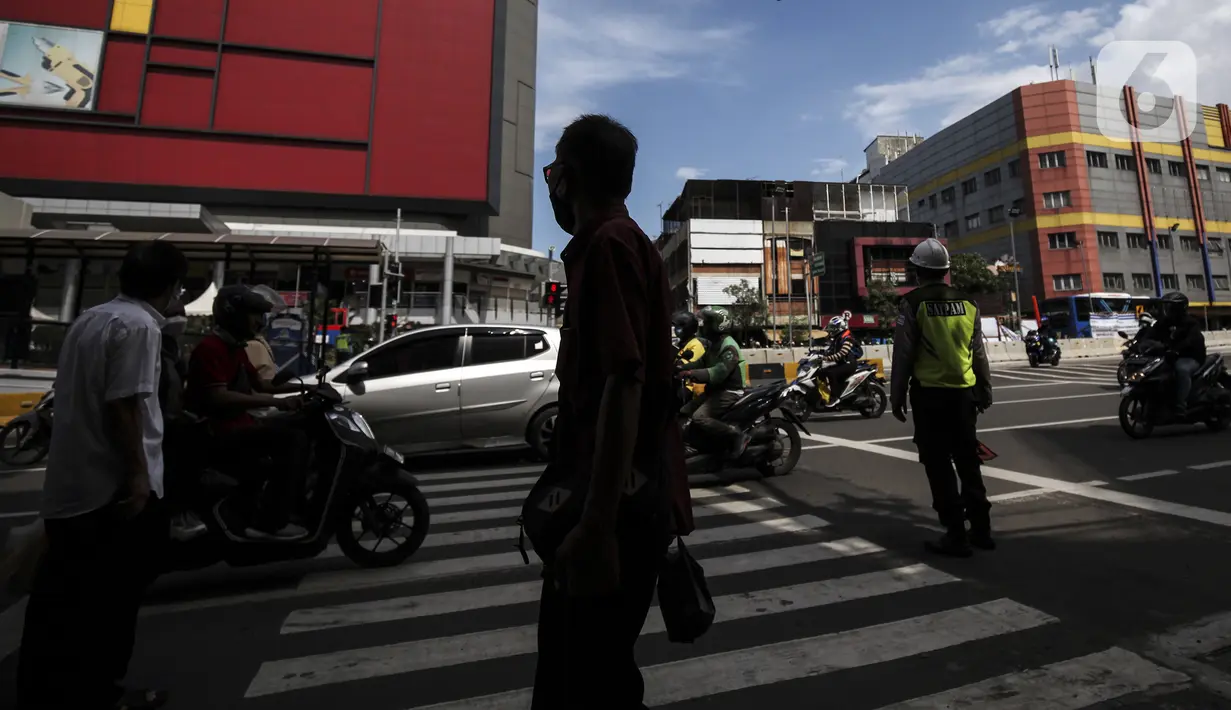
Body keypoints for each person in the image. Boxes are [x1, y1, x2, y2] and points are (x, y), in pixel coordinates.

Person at [532, 113, 689, 709]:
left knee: (581, 683)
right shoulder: (621, 245)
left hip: (615, 513)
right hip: (620, 502)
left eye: (551, 173)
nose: (549, 186)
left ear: (566, 179)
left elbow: (623, 385)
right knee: (598, 678)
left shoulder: (608, 246)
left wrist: (596, 528)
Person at [18, 241, 189, 710]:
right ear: (173, 288)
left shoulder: (91, 319)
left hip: (73, 486)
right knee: (109, 604)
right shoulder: (139, 327)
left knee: (58, 601)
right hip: (109, 491)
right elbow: (125, 405)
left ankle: (42, 690)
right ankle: (100, 694)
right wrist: (136, 477)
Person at [890, 238, 994, 558]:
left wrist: (896, 397)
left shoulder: (913, 303)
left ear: (918, 271)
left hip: (930, 397)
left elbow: (903, 356)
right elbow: (979, 353)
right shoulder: (969, 304)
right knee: (968, 461)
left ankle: (955, 534)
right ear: (946, 271)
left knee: (938, 465)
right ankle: (981, 530)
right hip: (965, 395)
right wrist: (985, 389)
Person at [184, 285, 309, 540]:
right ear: (234, 315)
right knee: (293, 440)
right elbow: (218, 396)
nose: (259, 321)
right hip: (218, 432)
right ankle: (270, 522)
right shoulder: (211, 348)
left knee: (293, 431)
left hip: (238, 426)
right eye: (253, 314)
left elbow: (263, 384)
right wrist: (277, 403)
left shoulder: (236, 348)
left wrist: (309, 388)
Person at [157, 299, 208, 541]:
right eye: (173, 314)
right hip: (160, 424)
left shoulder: (173, 348)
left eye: (181, 313)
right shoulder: (152, 344)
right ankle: (177, 515)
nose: (179, 319)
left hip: (173, 417)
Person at [677, 306, 750, 458]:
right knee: (684, 411)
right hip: (715, 390)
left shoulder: (729, 346)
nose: (703, 326)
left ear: (717, 325)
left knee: (699, 417)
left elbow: (719, 372)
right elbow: (701, 362)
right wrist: (680, 368)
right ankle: (694, 444)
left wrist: (691, 373)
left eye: (707, 322)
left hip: (730, 392)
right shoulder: (713, 344)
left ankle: (736, 434)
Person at [1155, 291, 1205, 415]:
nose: (1167, 310)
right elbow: (1151, 334)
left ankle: (1181, 404)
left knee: (1182, 369)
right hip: (1170, 356)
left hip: (1190, 357)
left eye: (1170, 306)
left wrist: (1177, 349)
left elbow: (1191, 340)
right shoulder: (1164, 322)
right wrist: (1139, 345)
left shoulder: (1191, 323)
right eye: (1166, 306)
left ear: (1179, 307)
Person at [817, 311, 860, 405]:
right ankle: (824, 394)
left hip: (849, 364)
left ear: (839, 328)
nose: (831, 330)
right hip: (842, 363)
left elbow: (842, 353)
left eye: (833, 328)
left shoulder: (847, 337)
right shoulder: (837, 338)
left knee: (831, 373)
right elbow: (830, 350)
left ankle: (835, 397)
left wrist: (826, 358)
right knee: (821, 371)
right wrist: (818, 353)